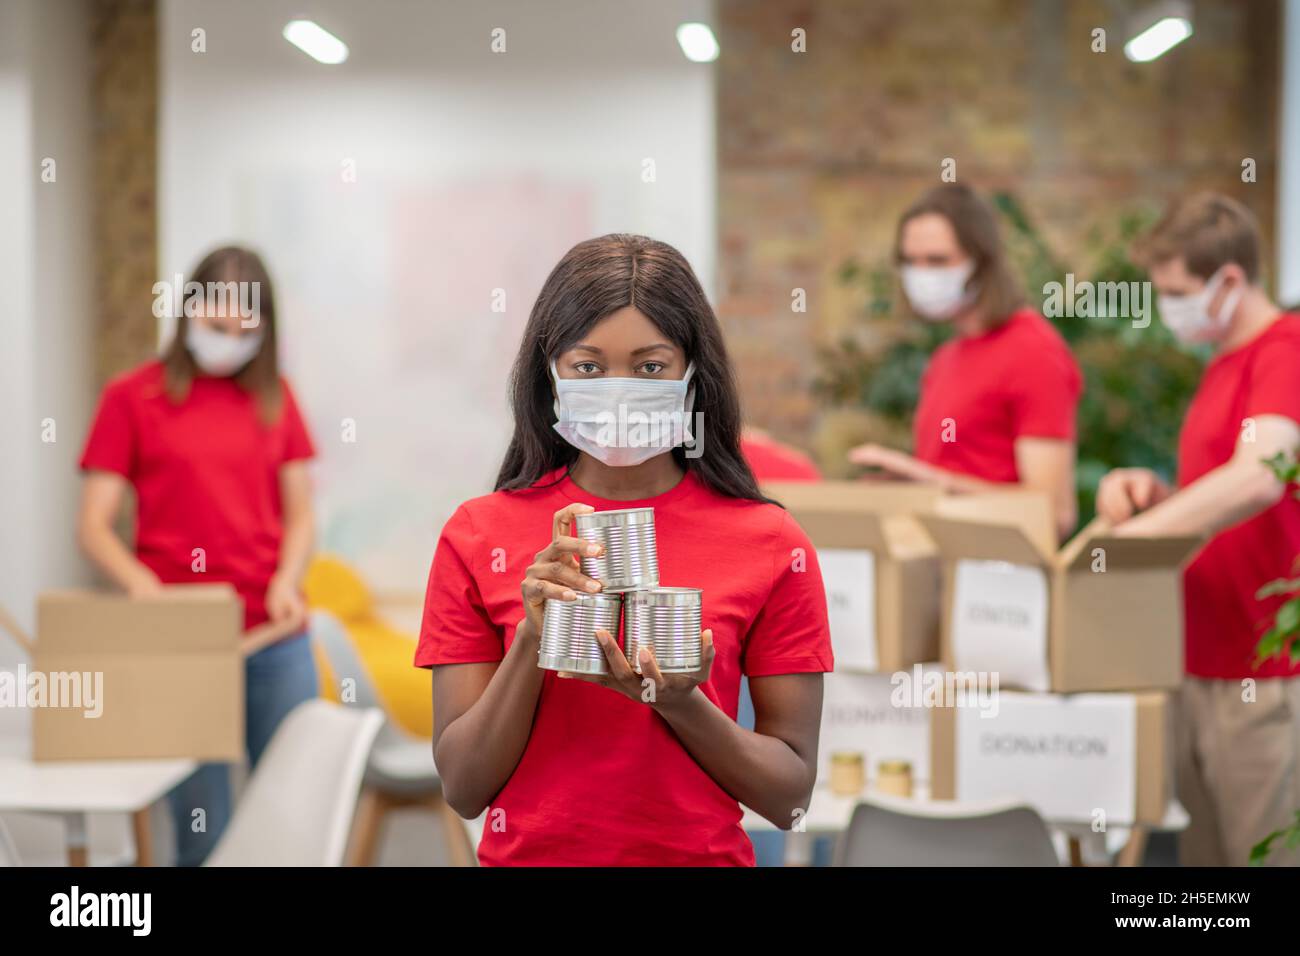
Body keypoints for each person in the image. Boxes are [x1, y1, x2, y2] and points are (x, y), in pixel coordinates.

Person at [416, 234, 833, 866]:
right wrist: (535, 637)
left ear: (693, 373)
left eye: (649, 366)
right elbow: (465, 787)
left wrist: (678, 701)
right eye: (587, 367)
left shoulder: (772, 545)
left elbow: (791, 798)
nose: (618, 388)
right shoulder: (479, 536)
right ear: (550, 375)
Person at [77, 246, 318, 866]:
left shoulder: (277, 398)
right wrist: (140, 587)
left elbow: (300, 515)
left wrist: (288, 580)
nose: (228, 342)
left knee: (291, 812)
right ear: (187, 314)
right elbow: (94, 526)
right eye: (216, 327)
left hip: (273, 634)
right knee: (201, 827)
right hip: (181, 639)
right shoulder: (131, 398)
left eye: (244, 332)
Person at [1096, 193, 1300, 867]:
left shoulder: (1286, 350)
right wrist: (1157, 498)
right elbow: (1224, 499)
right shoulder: (1223, 364)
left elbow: (1262, 475)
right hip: (1202, 663)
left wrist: (1132, 542)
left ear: (1231, 280)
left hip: (1266, 676)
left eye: (1178, 291)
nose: (1168, 308)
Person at [847, 184, 1082, 540]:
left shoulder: (1033, 351)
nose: (921, 274)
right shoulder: (945, 358)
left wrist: (934, 482)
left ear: (981, 262)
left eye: (938, 261)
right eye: (910, 262)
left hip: (1001, 582)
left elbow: (1054, 513)